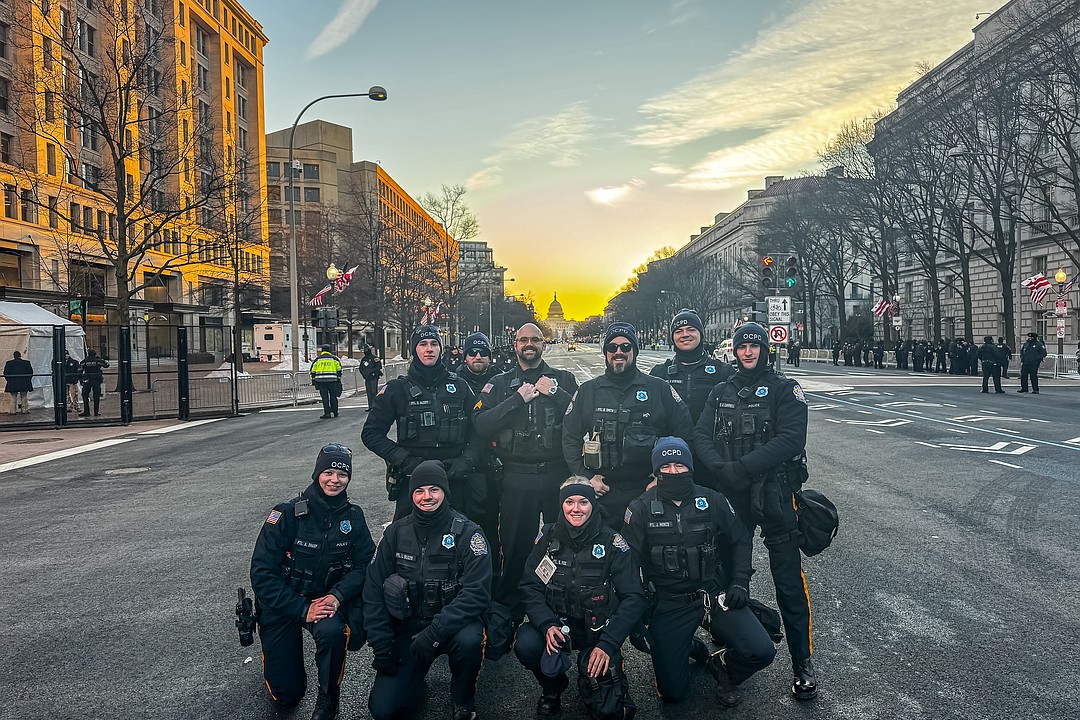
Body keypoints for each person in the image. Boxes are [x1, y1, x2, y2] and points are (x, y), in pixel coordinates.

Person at [692, 322, 817, 700]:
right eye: (742, 346)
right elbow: (700, 435)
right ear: (734, 350)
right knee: (728, 574)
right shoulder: (721, 389)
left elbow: (791, 438)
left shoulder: (783, 389)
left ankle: (802, 664)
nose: (747, 352)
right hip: (733, 494)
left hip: (774, 493)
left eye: (754, 346)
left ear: (765, 349)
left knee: (789, 585)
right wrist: (720, 469)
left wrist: (741, 468)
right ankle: (733, 648)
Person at [622, 438, 775, 706]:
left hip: (712, 595)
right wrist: (635, 618)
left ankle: (724, 666)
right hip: (669, 602)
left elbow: (740, 538)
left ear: (690, 468)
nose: (672, 472)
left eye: (679, 465)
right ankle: (690, 648)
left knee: (761, 651)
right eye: (665, 466)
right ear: (655, 472)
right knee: (672, 693)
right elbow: (627, 566)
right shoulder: (640, 508)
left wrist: (740, 582)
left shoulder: (713, 499)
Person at [250, 444, 376, 720]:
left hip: (323, 600)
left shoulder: (354, 517)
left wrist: (338, 596)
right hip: (284, 602)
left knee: (333, 633)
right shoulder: (285, 514)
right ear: (317, 474)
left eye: (342, 475)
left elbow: (365, 564)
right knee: (286, 695)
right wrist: (300, 609)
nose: (335, 480)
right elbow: (261, 574)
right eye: (328, 472)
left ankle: (329, 695)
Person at [362, 461, 491, 720]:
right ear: (411, 494)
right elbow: (374, 590)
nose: (427, 497)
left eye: (434, 489)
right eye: (420, 491)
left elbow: (477, 593)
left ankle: (463, 697)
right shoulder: (396, 533)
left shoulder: (468, 533)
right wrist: (381, 646)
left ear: (445, 492)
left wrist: (434, 632)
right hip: (408, 626)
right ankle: (414, 681)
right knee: (382, 711)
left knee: (470, 641)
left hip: (453, 626)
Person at [515, 479, 646, 718]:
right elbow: (530, 586)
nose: (576, 509)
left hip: (597, 632)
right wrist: (546, 624)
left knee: (609, 712)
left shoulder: (612, 543)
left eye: (583, 502)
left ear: (593, 505)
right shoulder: (547, 537)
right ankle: (552, 687)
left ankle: (604, 674)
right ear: (561, 505)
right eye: (569, 502)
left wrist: (609, 643)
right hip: (558, 626)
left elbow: (633, 598)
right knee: (526, 643)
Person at [472, 323, 579, 610]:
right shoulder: (498, 383)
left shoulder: (564, 379)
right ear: (515, 344)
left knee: (566, 544)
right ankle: (510, 608)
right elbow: (480, 424)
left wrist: (556, 393)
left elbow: (583, 419)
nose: (529, 344)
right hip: (516, 477)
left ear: (544, 344)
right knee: (515, 548)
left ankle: (563, 603)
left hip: (559, 475)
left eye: (535, 339)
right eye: (523, 339)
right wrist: (517, 399)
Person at [562, 321, 693, 523]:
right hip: (603, 491)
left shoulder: (659, 389)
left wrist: (664, 477)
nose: (619, 352)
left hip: (649, 489)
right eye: (612, 347)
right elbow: (570, 437)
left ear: (635, 351)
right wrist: (585, 476)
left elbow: (684, 434)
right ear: (605, 352)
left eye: (626, 347)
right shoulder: (588, 391)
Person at [362, 326, 483, 520]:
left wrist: (467, 460)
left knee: (461, 538)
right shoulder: (397, 389)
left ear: (440, 349)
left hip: (455, 478)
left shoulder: (460, 386)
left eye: (434, 344)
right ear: (414, 350)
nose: (429, 349)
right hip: (413, 480)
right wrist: (404, 460)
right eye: (423, 344)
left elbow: (480, 428)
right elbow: (371, 434)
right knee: (407, 541)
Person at [649, 309, 734, 490]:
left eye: (691, 329)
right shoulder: (659, 373)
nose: (685, 335)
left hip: (713, 458)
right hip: (672, 459)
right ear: (673, 337)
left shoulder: (723, 372)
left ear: (700, 334)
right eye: (679, 331)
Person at [310, 345, 343, 419]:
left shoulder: (318, 360)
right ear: (329, 350)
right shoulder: (334, 359)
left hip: (321, 382)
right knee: (333, 396)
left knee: (325, 398)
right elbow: (339, 370)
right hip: (332, 381)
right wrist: (338, 379)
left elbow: (312, 371)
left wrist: (314, 380)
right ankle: (335, 412)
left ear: (322, 350)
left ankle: (327, 413)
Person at [78, 349, 109, 417]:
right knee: (96, 396)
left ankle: (86, 411)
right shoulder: (98, 361)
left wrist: (81, 380)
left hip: (87, 380)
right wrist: (101, 359)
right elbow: (106, 365)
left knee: (85, 395)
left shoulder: (84, 361)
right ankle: (96, 412)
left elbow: (80, 371)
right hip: (96, 380)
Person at [3, 350, 34, 415]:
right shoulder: (26, 363)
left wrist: (9, 380)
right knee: (24, 397)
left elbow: (5, 373)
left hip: (13, 382)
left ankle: (13, 411)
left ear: (14, 356)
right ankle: (24, 410)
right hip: (24, 382)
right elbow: (30, 373)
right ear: (20, 356)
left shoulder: (9, 363)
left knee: (13, 397)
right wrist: (27, 380)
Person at [359, 347, 383, 412]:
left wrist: (371, 371)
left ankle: (375, 405)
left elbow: (379, 366)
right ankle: (370, 406)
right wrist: (364, 374)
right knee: (369, 392)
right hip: (367, 378)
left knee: (373, 392)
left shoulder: (375, 357)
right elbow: (360, 368)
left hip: (373, 377)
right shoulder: (364, 359)